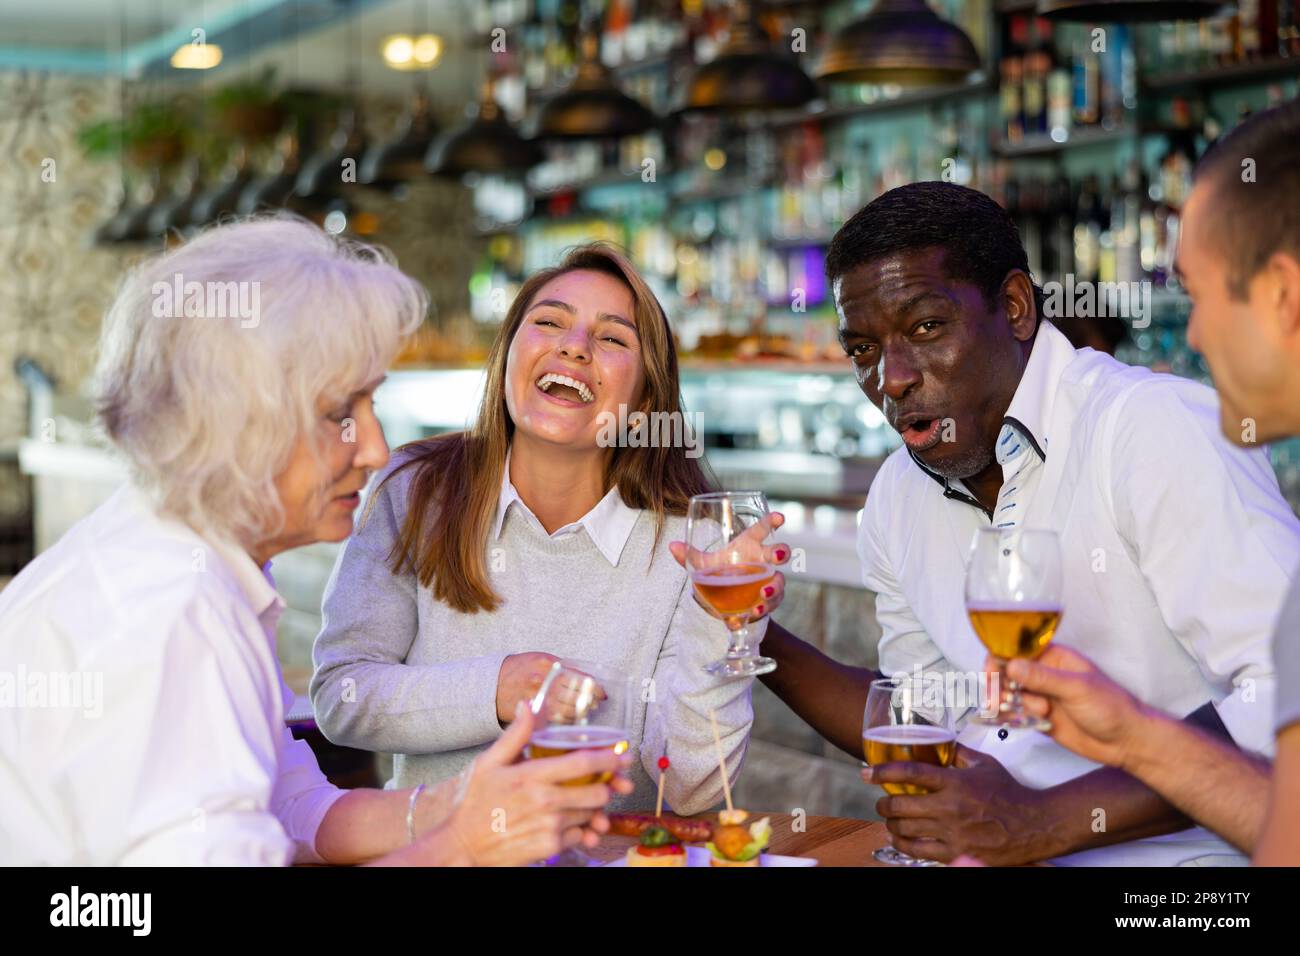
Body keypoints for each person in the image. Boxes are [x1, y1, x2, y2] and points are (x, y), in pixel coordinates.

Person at [0, 216, 631, 865]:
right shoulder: (166, 611)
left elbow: (290, 809)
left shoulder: (197, 560)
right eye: (341, 414)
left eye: (371, 405)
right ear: (237, 424)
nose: (377, 450)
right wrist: (464, 849)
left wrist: (458, 807)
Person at [742, 180, 1300, 866]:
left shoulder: (1149, 430)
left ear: (1013, 307)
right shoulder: (895, 497)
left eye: (925, 327)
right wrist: (748, 630)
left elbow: (1281, 690)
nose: (890, 379)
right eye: (861, 349)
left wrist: (1046, 820)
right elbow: (926, 716)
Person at [310, 243, 785, 815]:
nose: (574, 346)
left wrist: (722, 628)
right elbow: (343, 698)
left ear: (645, 399)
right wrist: (501, 688)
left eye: (612, 338)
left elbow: (690, 790)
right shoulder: (415, 491)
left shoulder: (695, 543)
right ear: (508, 355)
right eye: (549, 322)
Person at [997, 99, 1300, 866]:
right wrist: (1133, 734)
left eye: (1197, 294)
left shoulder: (1148, 421)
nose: (1191, 335)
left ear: (1284, 297)